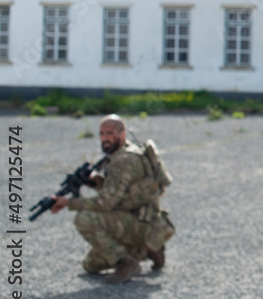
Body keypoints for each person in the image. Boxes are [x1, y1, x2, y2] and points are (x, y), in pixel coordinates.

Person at [51, 114, 175, 284]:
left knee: (84, 218)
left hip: (136, 223)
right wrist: (97, 183)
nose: (105, 139)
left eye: (110, 133)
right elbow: (123, 193)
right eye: (102, 134)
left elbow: (106, 203)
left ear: (122, 133)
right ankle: (147, 249)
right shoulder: (129, 151)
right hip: (139, 219)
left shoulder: (123, 161)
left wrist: (68, 203)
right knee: (90, 265)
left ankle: (128, 261)